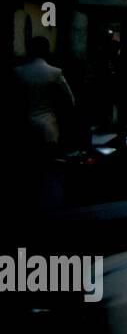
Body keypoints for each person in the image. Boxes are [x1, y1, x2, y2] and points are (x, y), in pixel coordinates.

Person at [15, 36, 76, 210]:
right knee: (48, 171)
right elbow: (70, 100)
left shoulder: (18, 71)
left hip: (24, 127)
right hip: (47, 127)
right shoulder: (54, 72)